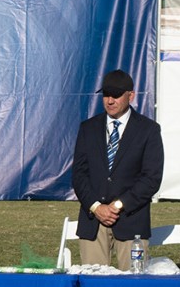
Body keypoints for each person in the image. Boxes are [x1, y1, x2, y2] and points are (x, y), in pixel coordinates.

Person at [71, 68, 165, 269]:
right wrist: (96, 207)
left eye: (116, 95)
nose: (110, 100)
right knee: (92, 283)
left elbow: (151, 178)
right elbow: (79, 175)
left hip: (131, 222)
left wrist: (119, 205)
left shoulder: (148, 130)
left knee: (132, 285)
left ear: (131, 96)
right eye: (106, 95)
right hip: (93, 222)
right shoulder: (88, 128)